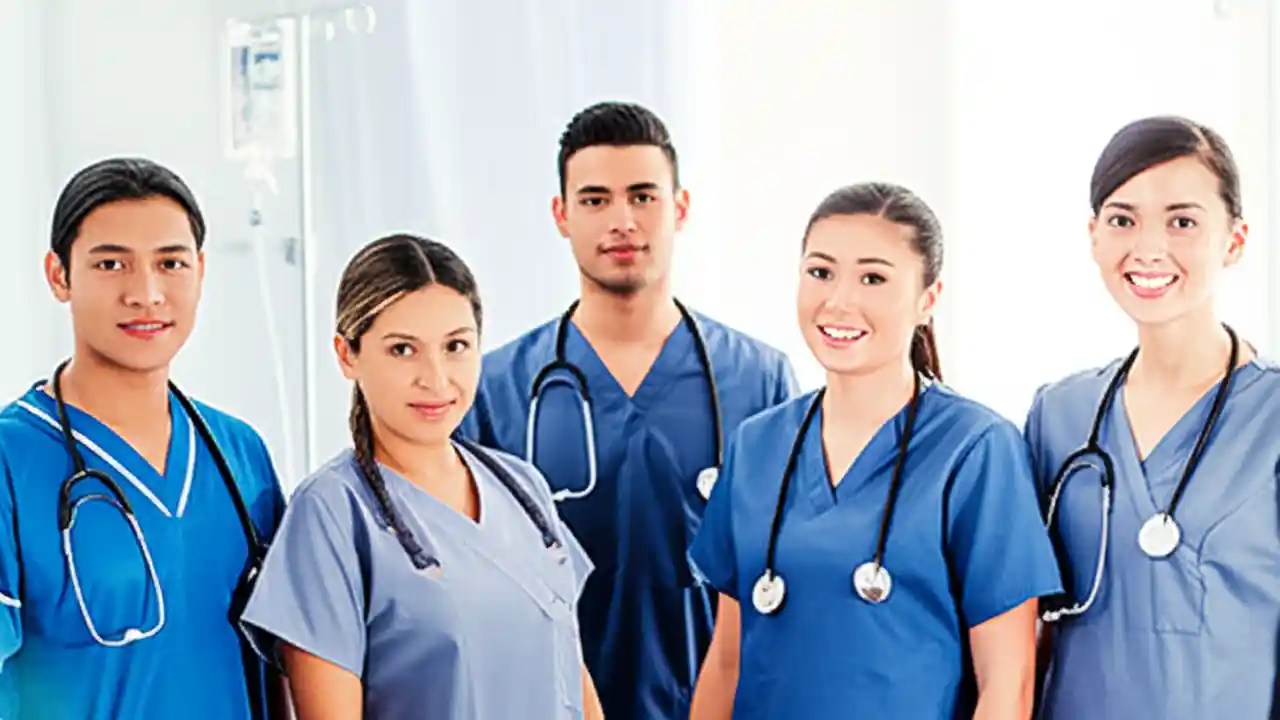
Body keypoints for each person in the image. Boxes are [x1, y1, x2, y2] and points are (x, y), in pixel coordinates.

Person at [456, 101, 798, 719]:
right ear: (561, 215)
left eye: (643, 196)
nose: (622, 220)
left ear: (680, 208)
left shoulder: (758, 380)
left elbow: (783, 577)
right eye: (594, 200)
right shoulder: (498, 387)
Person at [688, 182, 1063, 719]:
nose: (839, 301)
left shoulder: (975, 450)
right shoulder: (757, 446)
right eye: (820, 272)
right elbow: (727, 662)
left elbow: (1008, 684)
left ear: (927, 300)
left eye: (873, 278)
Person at [240, 234, 604, 719]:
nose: (435, 378)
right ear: (347, 354)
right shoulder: (331, 515)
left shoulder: (523, 488)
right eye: (402, 350)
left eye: (455, 346)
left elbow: (573, 680)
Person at [0, 158, 286, 719]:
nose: (146, 293)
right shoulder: (12, 460)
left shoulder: (240, 454)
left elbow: (283, 661)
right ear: (59, 276)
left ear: (200, 272)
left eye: (170, 263)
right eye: (111, 264)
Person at [1027, 116, 1280, 719]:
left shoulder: (1269, 416)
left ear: (1235, 240)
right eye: (1122, 219)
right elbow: (1024, 629)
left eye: (1182, 221)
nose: (1148, 247)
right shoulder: (1059, 416)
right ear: (1094, 236)